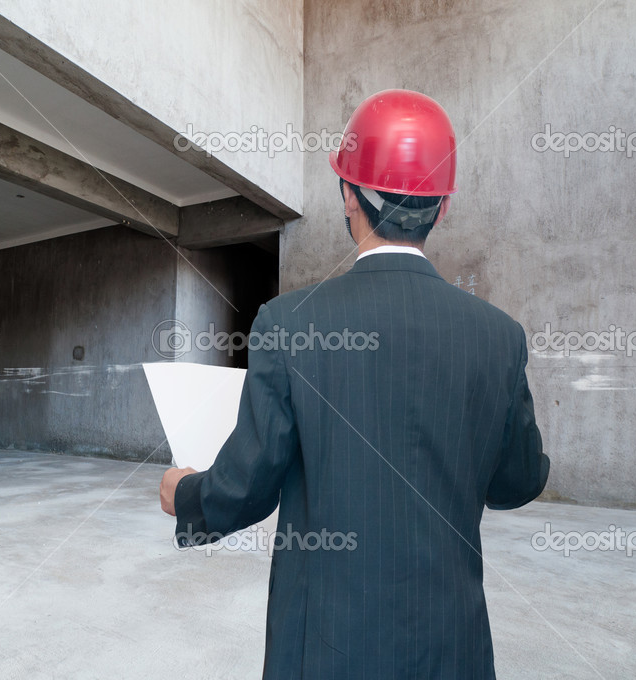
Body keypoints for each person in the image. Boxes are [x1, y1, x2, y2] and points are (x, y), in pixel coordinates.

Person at [159, 89, 549, 679]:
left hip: (326, 651)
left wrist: (186, 495)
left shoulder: (289, 324)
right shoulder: (500, 337)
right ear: (443, 206)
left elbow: (249, 487)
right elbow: (517, 482)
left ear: (348, 195)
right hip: (453, 651)